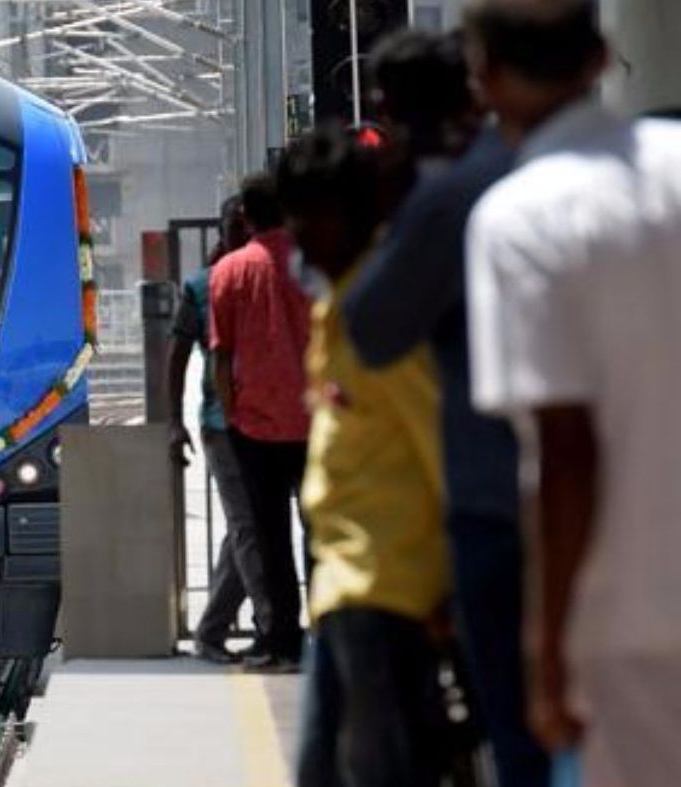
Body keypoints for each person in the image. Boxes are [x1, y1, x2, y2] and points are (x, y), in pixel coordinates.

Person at [463, 2, 681, 785]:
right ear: (601, 57)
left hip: (634, 618)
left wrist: (545, 644)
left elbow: (564, 448)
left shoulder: (519, 221)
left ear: (483, 77)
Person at [342, 29, 549, 787]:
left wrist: (393, 207)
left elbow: (370, 324)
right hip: (604, 488)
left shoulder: (447, 197)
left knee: (515, 724)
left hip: (490, 499)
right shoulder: (541, 167)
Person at [280, 127, 452, 787]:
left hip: (388, 585)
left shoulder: (381, 314)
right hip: (344, 582)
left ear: (358, 212)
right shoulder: (341, 302)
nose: (299, 233)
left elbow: (439, 442)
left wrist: (450, 581)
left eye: (313, 215)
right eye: (294, 215)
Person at [208, 174, 311, 671]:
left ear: (245, 217)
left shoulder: (229, 271)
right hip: (319, 422)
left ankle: (281, 642)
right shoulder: (313, 261)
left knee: (270, 540)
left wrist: (230, 413)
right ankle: (331, 636)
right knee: (324, 533)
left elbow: (221, 357)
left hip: (255, 427)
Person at [167, 196, 256, 664]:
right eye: (235, 225)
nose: (242, 232)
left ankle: (212, 628)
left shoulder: (262, 276)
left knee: (247, 530)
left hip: (262, 421)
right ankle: (267, 624)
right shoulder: (202, 287)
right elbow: (176, 357)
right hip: (223, 424)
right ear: (222, 230)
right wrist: (174, 423)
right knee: (249, 528)